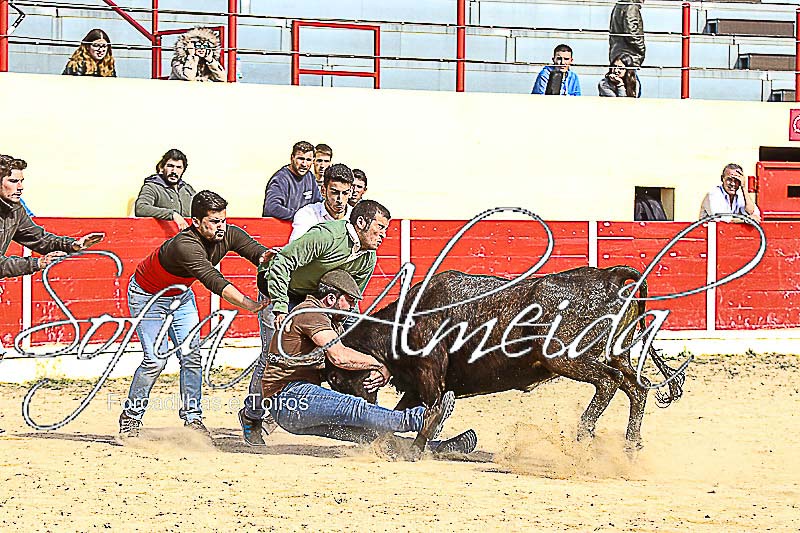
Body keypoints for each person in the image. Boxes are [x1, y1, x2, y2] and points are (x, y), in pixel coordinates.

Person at [257, 269, 476, 456]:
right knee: (355, 409)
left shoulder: (324, 318)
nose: (352, 308)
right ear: (331, 298)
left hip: (293, 407)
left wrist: (384, 369)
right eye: (349, 301)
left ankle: (432, 448)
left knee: (369, 433)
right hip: (289, 397)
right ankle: (420, 419)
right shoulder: (311, 313)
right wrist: (379, 365)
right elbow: (339, 356)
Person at [119, 190, 270, 438]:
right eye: (214, 221)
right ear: (196, 222)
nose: (221, 227)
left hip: (179, 296)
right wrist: (250, 305)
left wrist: (272, 258)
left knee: (192, 356)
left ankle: (193, 419)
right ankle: (131, 416)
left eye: (223, 220)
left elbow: (257, 252)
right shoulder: (185, 244)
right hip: (148, 296)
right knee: (155, 360)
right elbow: (214, 280)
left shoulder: (228, 233)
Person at [238, 199, 390, 446]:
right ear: (361, 223)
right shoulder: (327, 236)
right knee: (272, 357)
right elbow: (281, 263)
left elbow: (349, 300)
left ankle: (367, 417)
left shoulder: (368, 258)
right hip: (280, 291)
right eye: (380, 227)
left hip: (318, 299)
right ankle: (253, 416)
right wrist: (278, 307)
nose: (384, 234)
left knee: (341, 351)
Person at [0, 154, 104, 432]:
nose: (20, 187)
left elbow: (39, 238)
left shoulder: (15, 210)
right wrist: (34, 263)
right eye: (13, 181)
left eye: (22, 181)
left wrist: (74, 245)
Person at [134, 149, 197, 231]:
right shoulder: (152, 187)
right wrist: (173, 214)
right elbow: (141, 208)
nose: (174, 171)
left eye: (178, 167)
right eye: (170, 166)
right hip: (162, 240)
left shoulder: (188, 189)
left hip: (187, 239)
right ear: (161, 168)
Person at [289, 163, 354, 242]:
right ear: (323, 190)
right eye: (334, 192)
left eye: (345, 193)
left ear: (351, 191)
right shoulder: (308, 214)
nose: (340, 200)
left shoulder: (356, 216)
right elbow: (295, 248)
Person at [262, 141, 322, 219]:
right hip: (282, 228)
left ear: (313, 161)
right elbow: (271, 208)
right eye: (300, 159)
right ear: (292, 158)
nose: (304, 164)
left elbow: (319, 203)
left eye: (308, 160)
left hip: (304, 228)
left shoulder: (310, 177)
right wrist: (300, 217)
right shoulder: (280, 179)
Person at [609, 0, 646, 68]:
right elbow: (631, 30)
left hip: (617, 53)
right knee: (630, 77)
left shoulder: (620, 5)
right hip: (630, 55)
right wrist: (641, 48)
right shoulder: (631, 6)